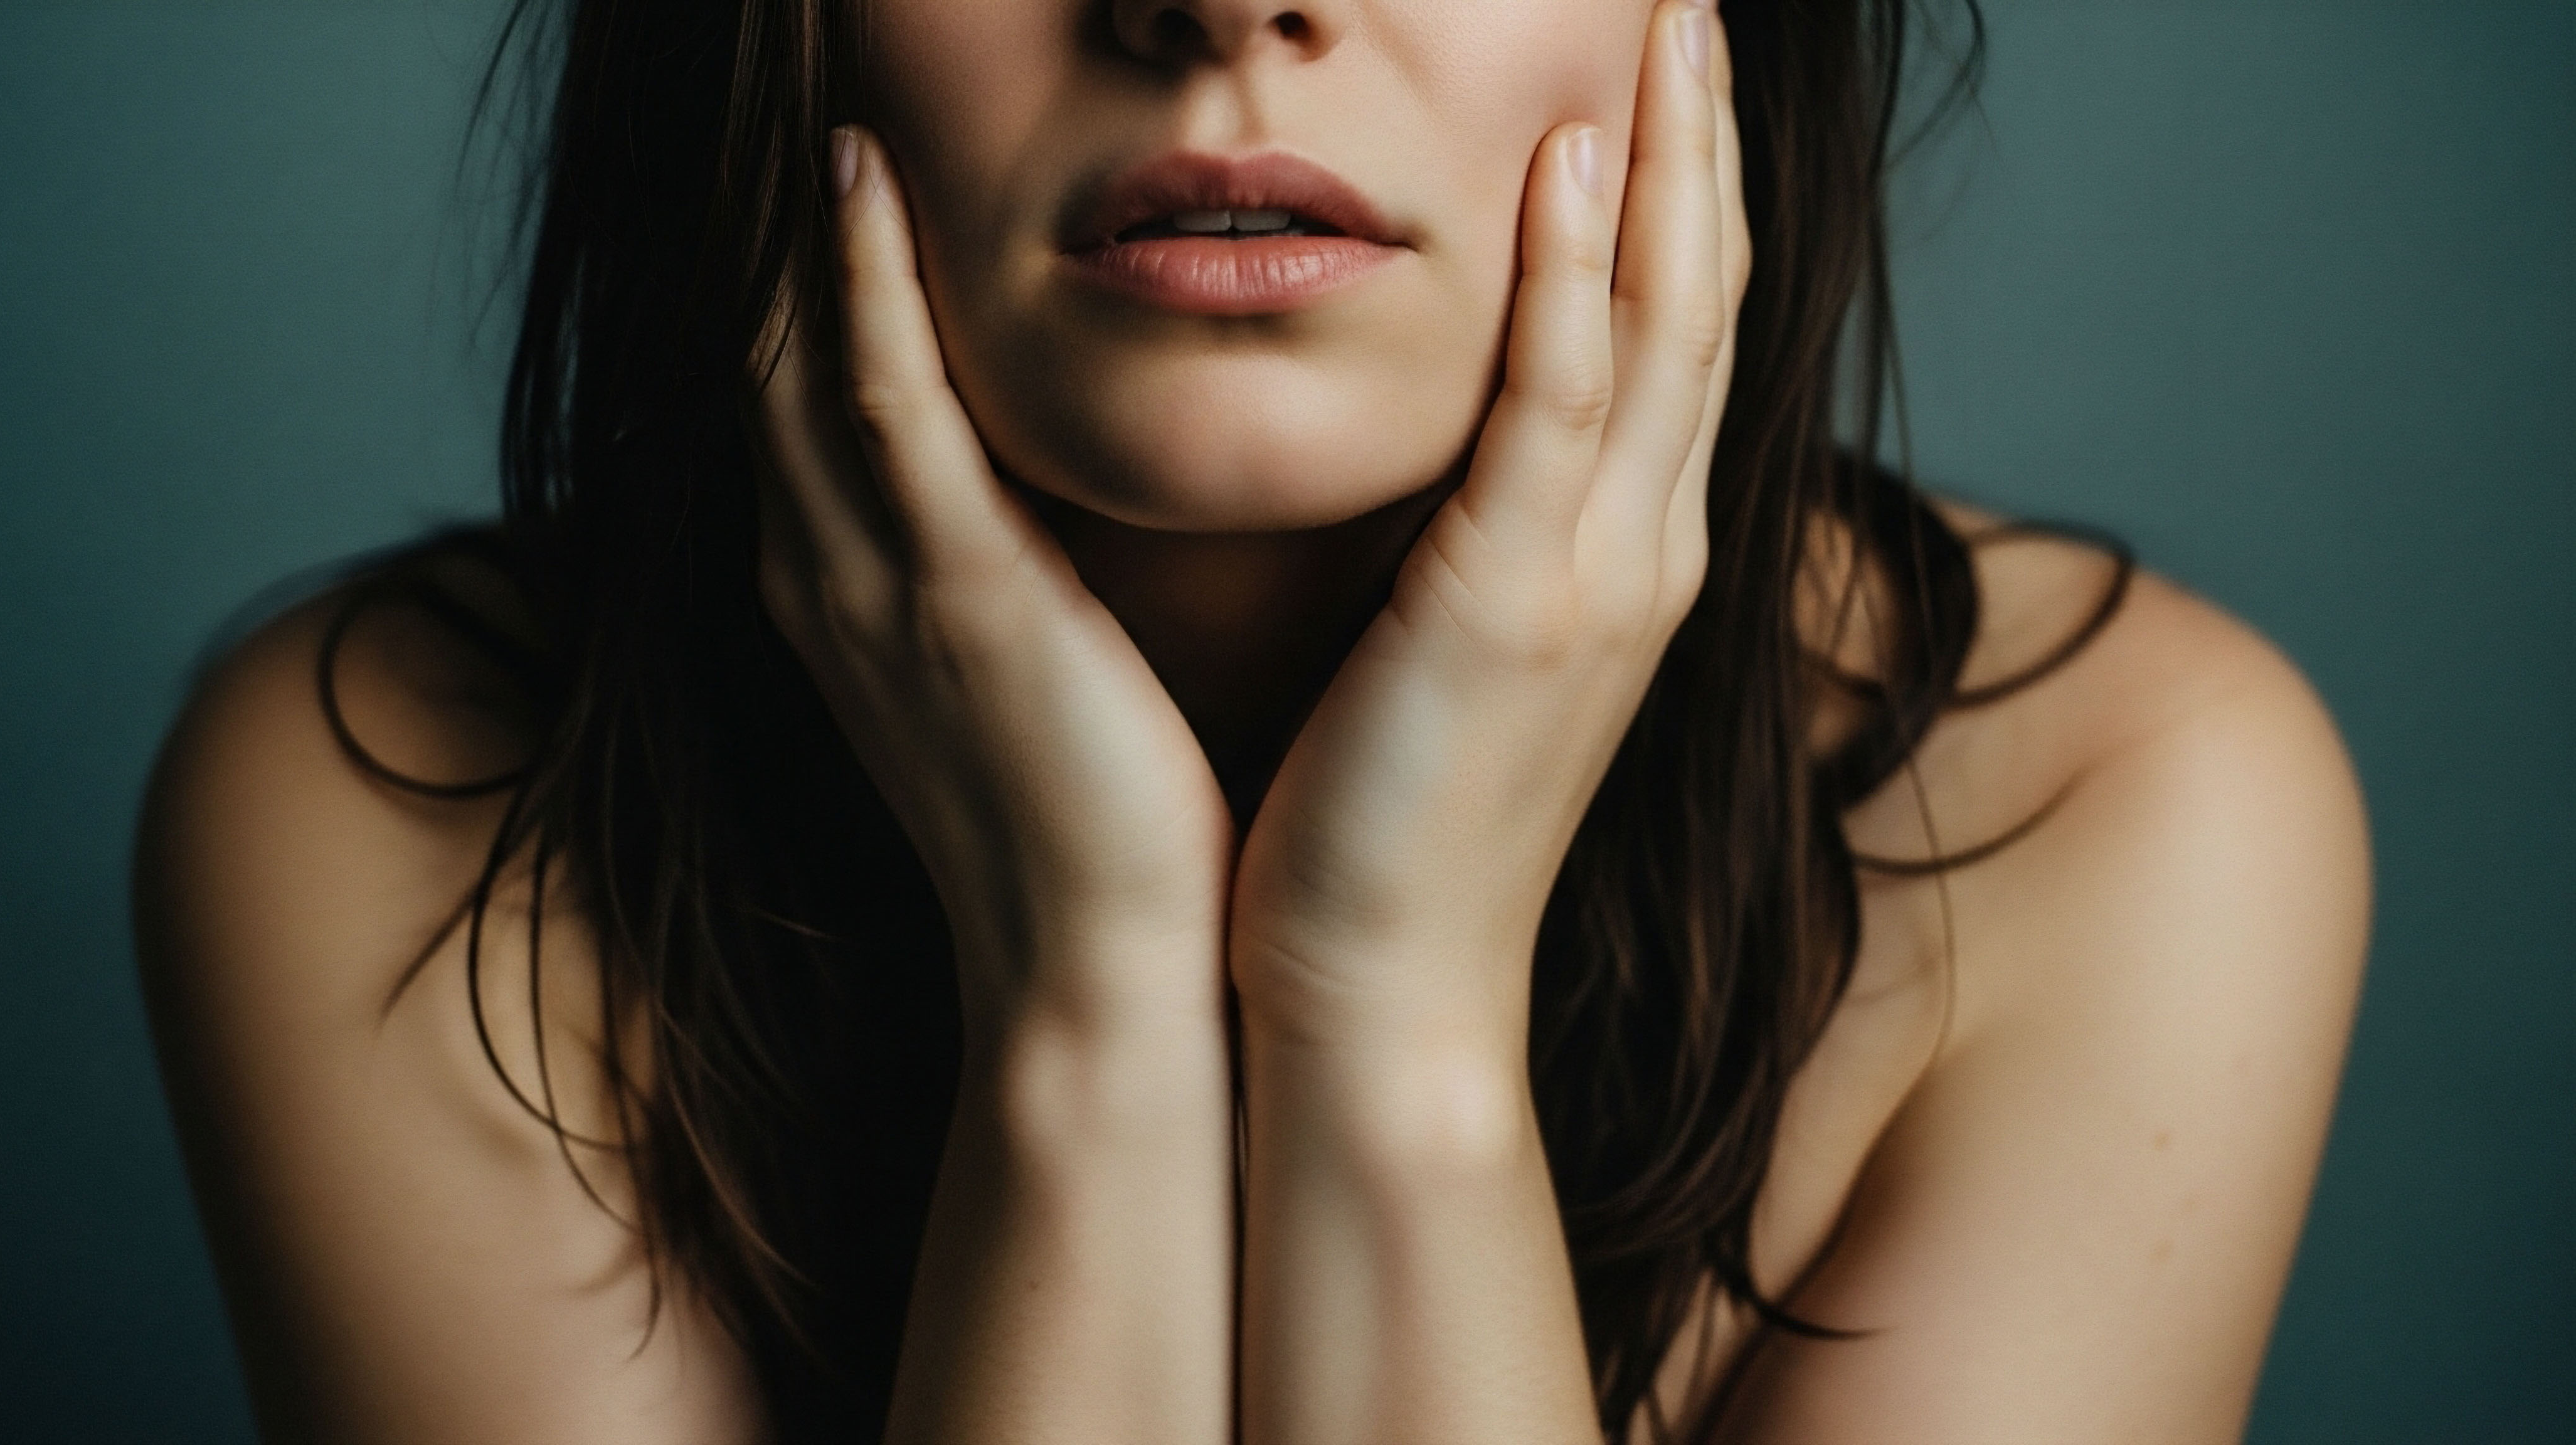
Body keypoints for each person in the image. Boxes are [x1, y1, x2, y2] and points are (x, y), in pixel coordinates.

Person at [132, 0, 2371, 1439]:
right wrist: (1091, 1019)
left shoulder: (2122, 810)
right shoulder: (387, 800)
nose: (1218, 9)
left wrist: (1386, 1022)